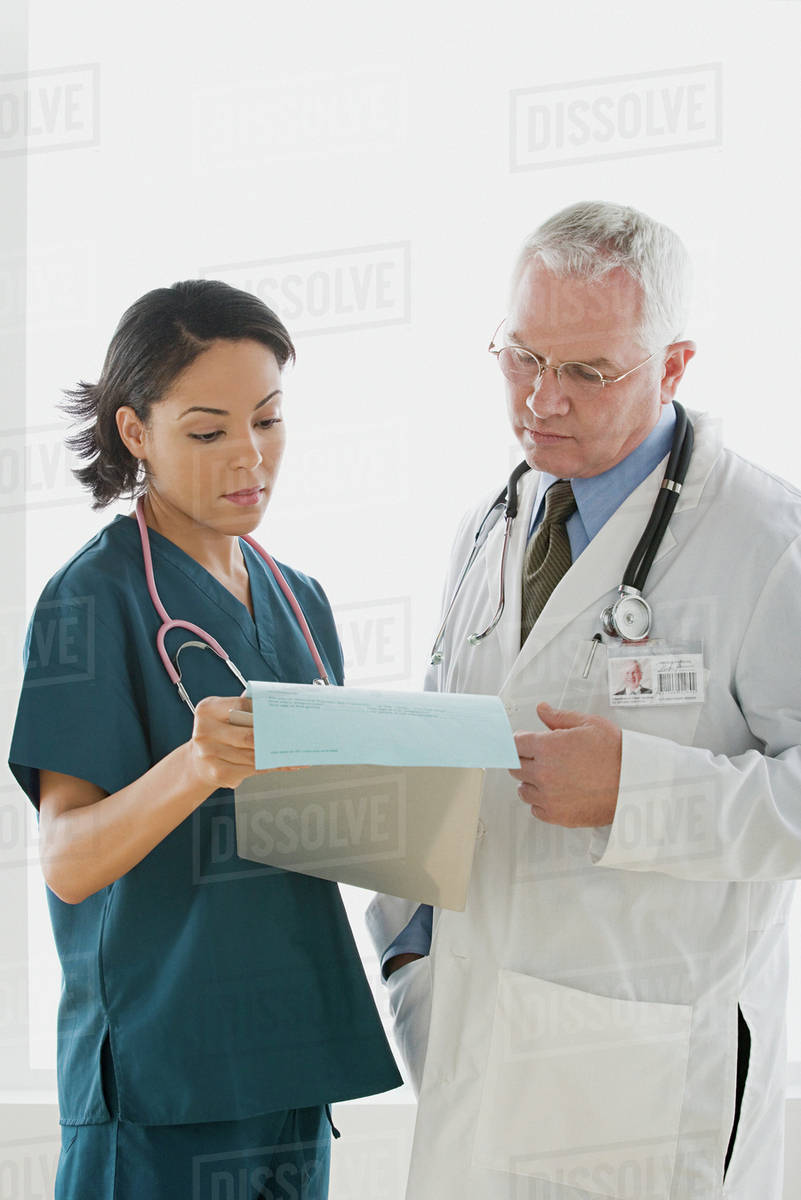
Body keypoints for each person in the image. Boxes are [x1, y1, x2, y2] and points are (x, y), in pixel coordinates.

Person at [367, 201, 801, 1199]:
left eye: (585, 372)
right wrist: (408, 956)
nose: (540, 401)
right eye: (520, 358)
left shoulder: (766, 543)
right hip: (477, 1049)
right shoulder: (488, 526)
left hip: (645, 1078)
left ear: (675, 366)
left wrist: (636, 791)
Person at [8, 280, 402, 1200]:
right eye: (208, 430)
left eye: (267, 421)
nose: (249, 457)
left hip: (294, 1062)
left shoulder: (298, 601)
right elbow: (67, 860)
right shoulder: (93, 600)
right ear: (135, 432)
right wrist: (195, 766)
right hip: (164, 1075)